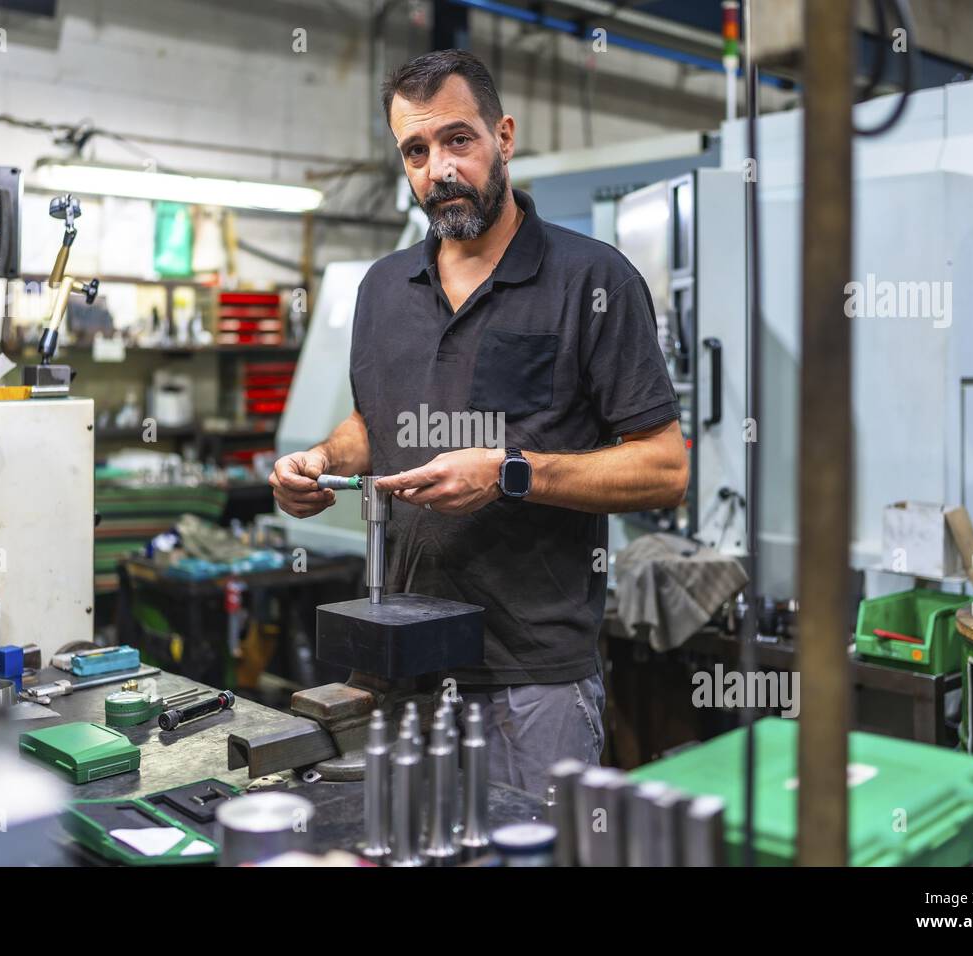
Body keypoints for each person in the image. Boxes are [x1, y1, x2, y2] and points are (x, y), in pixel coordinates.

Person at [271, 49, 688, 795]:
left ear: (504, 137)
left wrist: (512, 474)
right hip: (400, 665)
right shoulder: (383, 288)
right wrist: (322, 460)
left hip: (530, 681)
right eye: (416, 151)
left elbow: (665, 467)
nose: (440, 168)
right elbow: (378, 424)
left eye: (458, 139)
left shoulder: (591, 280)